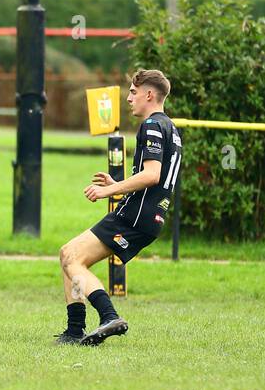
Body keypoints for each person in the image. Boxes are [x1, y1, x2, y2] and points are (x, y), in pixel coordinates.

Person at [54, 69, 182, 347]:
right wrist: (120, 182)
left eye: (134, 92)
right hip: (150, 215)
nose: (129, 98)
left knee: (72, 259)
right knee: (70, 255)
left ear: (149, 95)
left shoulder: (151, 126)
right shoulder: (170, 128)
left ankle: (108, 316)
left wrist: (107, 190)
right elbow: (152, 177)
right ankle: (75, 330)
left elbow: (152, 175)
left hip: (136, 214)